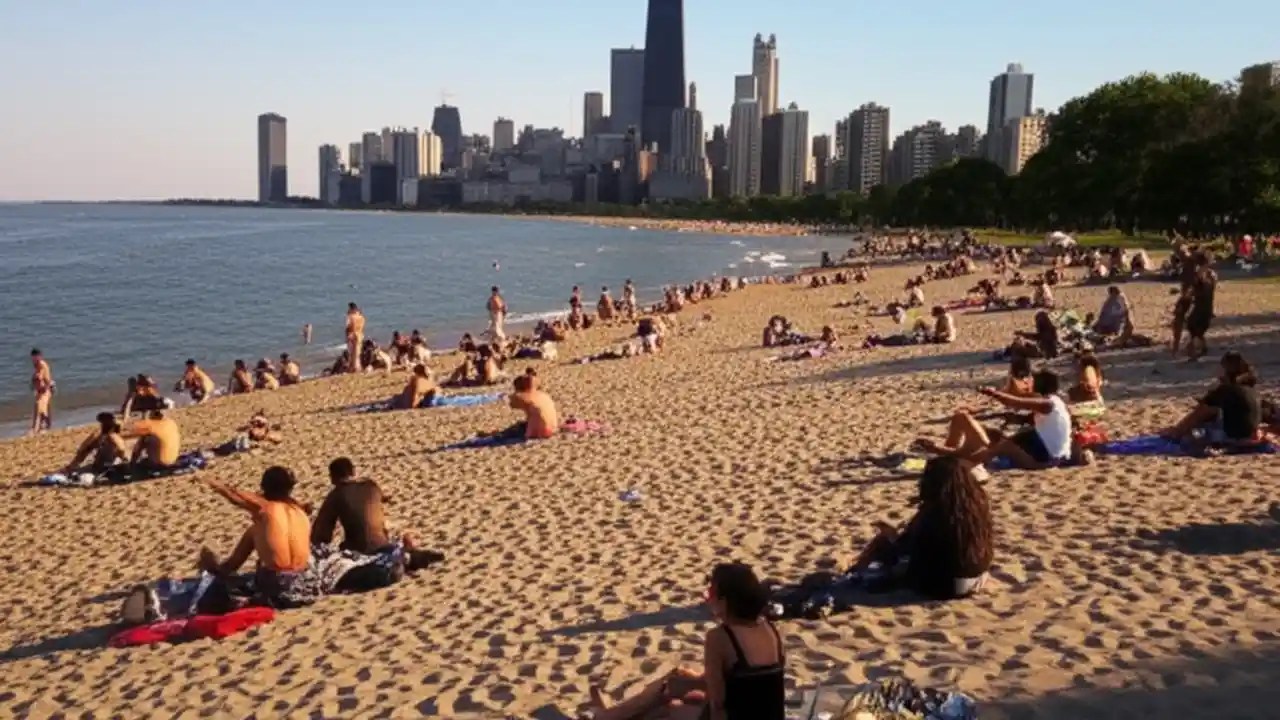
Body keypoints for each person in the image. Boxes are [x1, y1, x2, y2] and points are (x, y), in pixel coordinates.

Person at [585, 562, 784, 720]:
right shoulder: (770, 629)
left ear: (724, 602)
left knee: (665, 709)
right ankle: (611, 713)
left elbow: (718, 702)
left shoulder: (721, 637)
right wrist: (687, 681)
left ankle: (606, 716)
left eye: (712, 593)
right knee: (674, 682)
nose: (708, 599)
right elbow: (751, 686)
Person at [853, 456, 994, 600]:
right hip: (977, 578)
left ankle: (854, 575)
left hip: (944, 585)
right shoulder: (977, 505)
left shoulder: (934, 511)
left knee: (882, 543)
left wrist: (892, 535)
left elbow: (911, 548)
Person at [196, 467, 312, 608]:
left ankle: (224, 570)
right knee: (258, 530)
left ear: (265, 488)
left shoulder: (265, 508)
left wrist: (212, 482)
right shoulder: (299, 510)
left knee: (254, 531)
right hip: (306, 582)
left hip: (277, 586)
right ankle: (226, 568)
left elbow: (234, 495)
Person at [917, 370, 1074, 470]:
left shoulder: (1048, 403)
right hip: (1047, 453)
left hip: (1046, 459)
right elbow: (1026, 419)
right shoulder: (1053, 403)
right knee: (993, 435)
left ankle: (950, 454)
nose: (1030, 384)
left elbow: (1013, 402)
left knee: (1000, 447)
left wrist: (993, 393)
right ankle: (952, 453)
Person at [311, 457, 445, 569]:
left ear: (333, 477)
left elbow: (321, 535)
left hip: (360, 550)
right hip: (383, 544)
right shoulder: (371, 486)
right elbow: (382, 497)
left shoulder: (336, 495)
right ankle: (411, 556)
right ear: (353, 472)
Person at [1162, 352, 1263, 449]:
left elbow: (1199, 414)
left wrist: (1177, 431)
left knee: (1200, 425)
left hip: (1232, 438)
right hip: (1252, 436)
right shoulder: (1253, 392)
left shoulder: (1224, 390)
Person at [63, 412, 128, 476]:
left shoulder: (113, 437)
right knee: (89, 448)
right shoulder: (103, 437)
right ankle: (71, 467)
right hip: (101, 465)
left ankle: (71, 467)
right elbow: (82, 449)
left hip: (110, 466)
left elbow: (121, 450)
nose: (102, 425)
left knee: (89, 448)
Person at [124, 409, 182, 475]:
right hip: (172, 461)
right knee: (151, 438)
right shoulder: (171, 423)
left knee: (143, 439)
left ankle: (132, 465)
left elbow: (129, 430)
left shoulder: (150, 426)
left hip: (158, 464)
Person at [505, 373, 559, 439]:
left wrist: (511, 395)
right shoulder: (544, 395)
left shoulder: (522, 396)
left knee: (514, 430)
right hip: (553, 429)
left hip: (537, 433)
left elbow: (512, 405)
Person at [1185, 252, 1217, 361]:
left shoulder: (1203, 274)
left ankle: (1194, 351)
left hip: (1202, 307)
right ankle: (1201, 348)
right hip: (1205, 306)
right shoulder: (1211, 274)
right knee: (1195, 328)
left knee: (1194, 327)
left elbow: (1200, 288)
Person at [30, 348, 53, 434]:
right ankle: (43, 426)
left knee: (41, 408)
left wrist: (45, 389)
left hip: (45, 390)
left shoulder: (43, 365)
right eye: (33, 358)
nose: (34, 359)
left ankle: (40, 428)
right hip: (40, 390)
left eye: (36, 357)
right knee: (41, 408)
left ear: (39, 356)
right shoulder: (36, 365)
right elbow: (36, 377)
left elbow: (46, 379)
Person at [346, 303, 366, 373]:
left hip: (352, 334)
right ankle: (357, 366)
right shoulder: (361, 317)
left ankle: (355, 368)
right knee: (357, 352)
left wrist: (347, 335)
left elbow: (347, 326)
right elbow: (362, 326)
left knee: (352, 353)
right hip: (360, 334)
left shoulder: (350, 317)